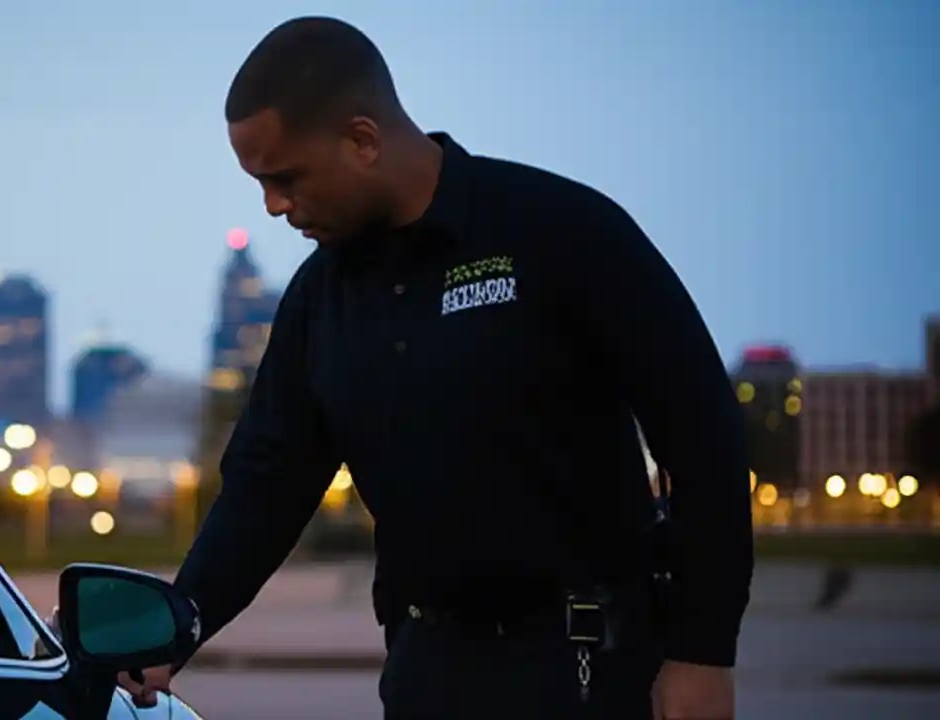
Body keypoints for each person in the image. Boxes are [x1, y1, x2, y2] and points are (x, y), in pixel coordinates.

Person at [120, 16, 753, 719]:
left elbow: (704, 438)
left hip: (586, 664)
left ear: (362, 140)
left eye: (286, 178)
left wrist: (702, 653)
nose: (273, 206)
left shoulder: (562, 232)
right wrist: (173, 632)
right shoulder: (319, 299)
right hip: (429, 671)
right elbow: (265, 487)